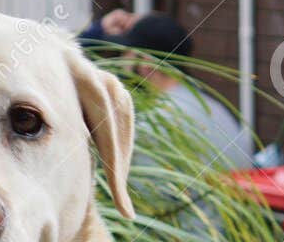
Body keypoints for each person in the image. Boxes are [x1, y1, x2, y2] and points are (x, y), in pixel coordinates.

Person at [79, 9, 255, 172]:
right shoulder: (216, 110)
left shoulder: (154, 127)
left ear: (146, 65)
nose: (122, 65)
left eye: (126, 56)